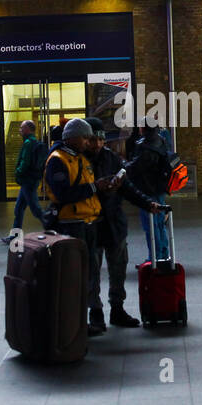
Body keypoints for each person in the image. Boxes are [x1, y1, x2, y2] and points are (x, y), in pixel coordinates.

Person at [84, 118, 169, 328]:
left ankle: (117, 309)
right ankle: (95, 312)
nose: (97, 144)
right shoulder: (76, 161)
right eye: (93, 139)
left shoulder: (111, 158)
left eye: (101, 139)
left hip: (114, 223)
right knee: (92, 272)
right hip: (89, 224)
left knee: (118, 268)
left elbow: (126, 187)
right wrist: (95, 188)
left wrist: (146, 203)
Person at [43, 118, 119, 336]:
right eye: (85, 138)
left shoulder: (80, 159)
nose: (88, 142)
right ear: (73, 137)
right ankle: (75, 321)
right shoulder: (58, 160)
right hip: (71, 225)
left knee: (90, 272)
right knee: (75, 275)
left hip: (88, 222)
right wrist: (95, 186)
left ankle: (92, 317)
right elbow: (63, 194)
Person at [126, 121, 172, 261]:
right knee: (159, 224)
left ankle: (155, 257)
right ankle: (164, 254)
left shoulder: (145, 145)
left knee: (150, 225)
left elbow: (136, 167)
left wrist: (122, 167)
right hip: (159, 188)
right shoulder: (161, 140)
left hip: (147, 189)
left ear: (143, 128)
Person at [6, 120, 46, 239]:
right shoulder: (32, 142)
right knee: (18, 209)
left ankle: (53, 227)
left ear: (28, 129)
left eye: (22, 128)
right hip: (29, 180)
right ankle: (14, 236)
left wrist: (18, 171)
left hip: (28, 181)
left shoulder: (28, 143)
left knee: (36, 209)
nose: (20, 130)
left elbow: (25, 161)